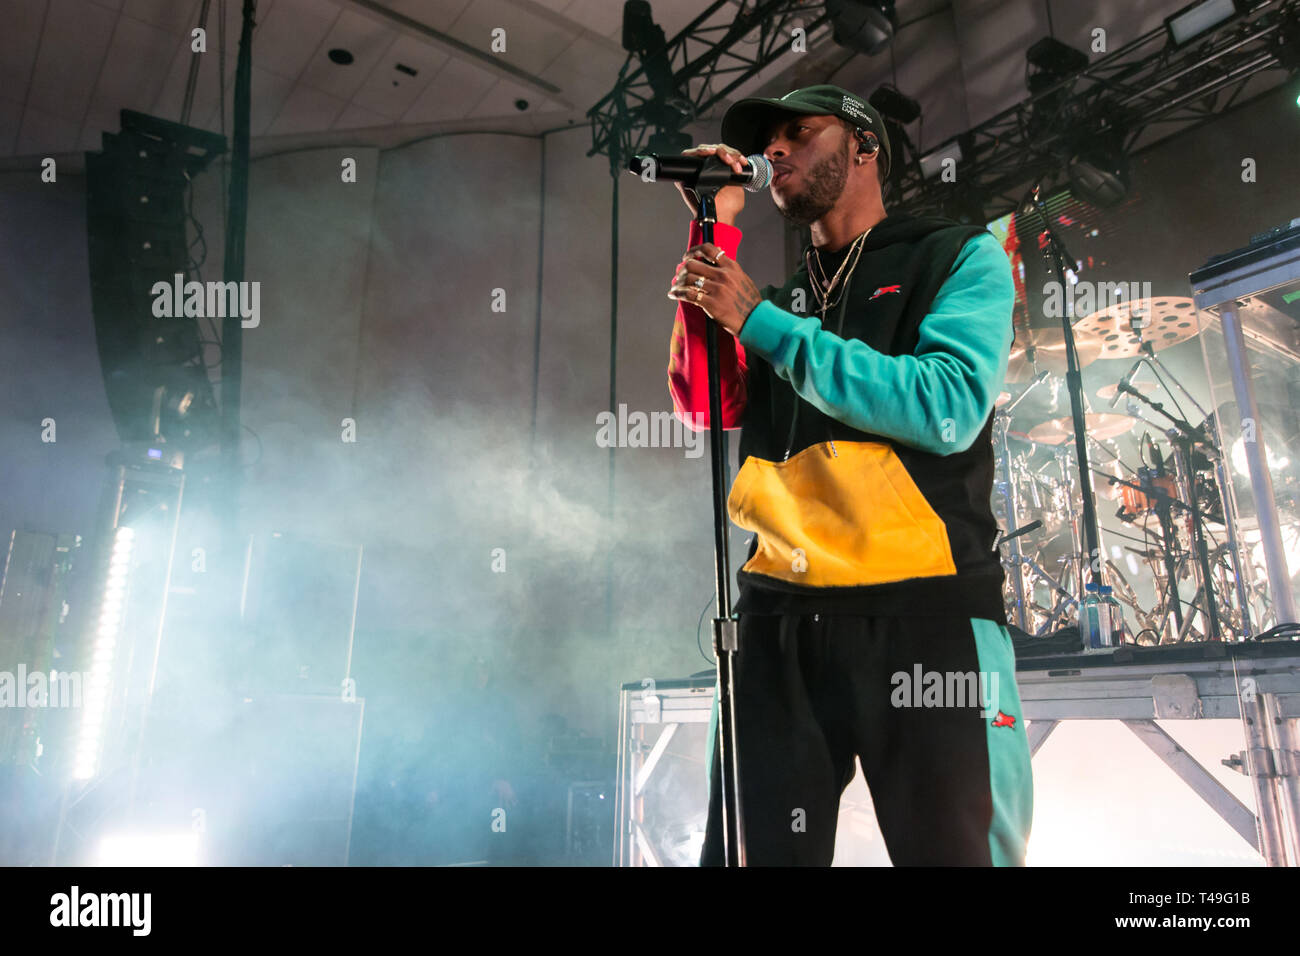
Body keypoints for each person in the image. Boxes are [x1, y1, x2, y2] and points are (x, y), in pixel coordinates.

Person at [664, 85, 1033, 866]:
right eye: (769, 144)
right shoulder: (781, 293)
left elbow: (948, 405)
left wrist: (764, 324)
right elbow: (706, 402)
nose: (777, 152)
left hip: (926, 612)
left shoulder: (956, 253)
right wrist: (716, 227)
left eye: (800, 133)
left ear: (864, 145)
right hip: (778, 615)